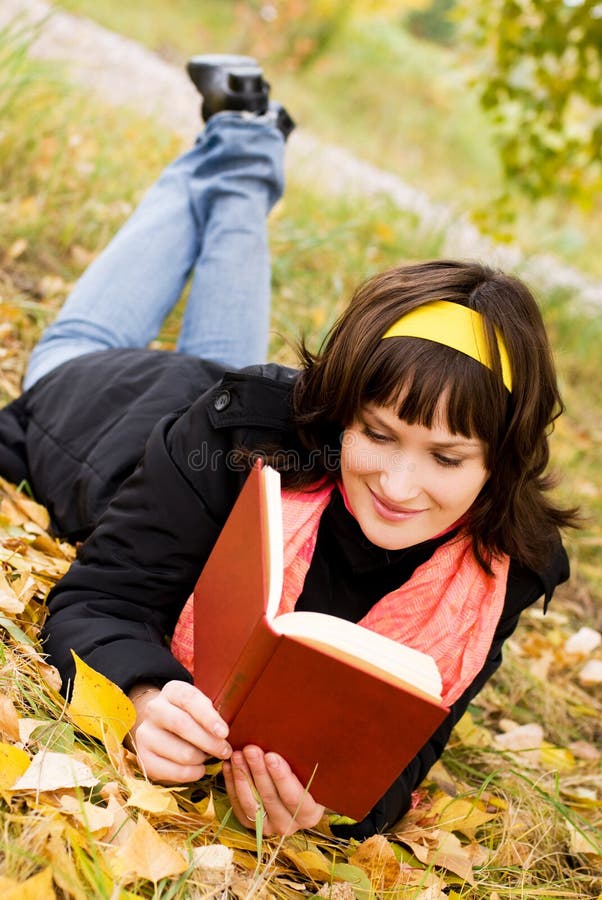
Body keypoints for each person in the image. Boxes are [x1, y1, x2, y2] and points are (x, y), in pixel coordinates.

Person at [0, 56, 573, 840]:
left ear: (499, 463)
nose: (401, 484)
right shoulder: (237, 438)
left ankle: (240, 131)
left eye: (446, 457)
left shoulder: (507, 565)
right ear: (341, 412)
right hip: (106, 415)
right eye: (378, 434)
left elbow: (406, 755)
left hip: (225, 401)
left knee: (230, 367)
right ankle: (238, 139)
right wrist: (142, 699)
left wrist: (332, 804)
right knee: (80, 340)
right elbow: (100, 600)